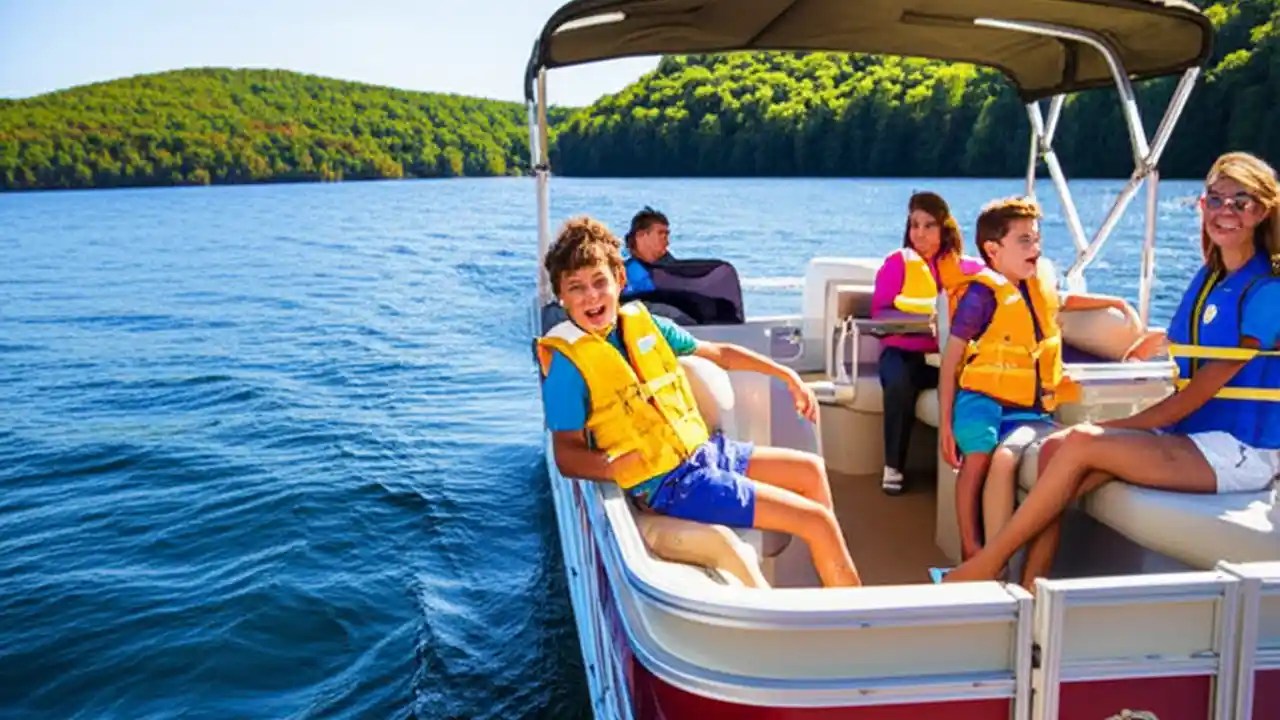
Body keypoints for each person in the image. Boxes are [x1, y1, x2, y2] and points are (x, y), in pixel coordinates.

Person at [942, 151, 1280, 589]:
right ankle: (1029, 590)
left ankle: (987, 565)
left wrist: (1112, 426)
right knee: (1056, 451)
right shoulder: (1210, 280)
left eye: (1241, 201)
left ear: (1263, 210)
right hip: (1193, 436)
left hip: (1240, 451)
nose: (1225, 211)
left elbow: (1194, 395)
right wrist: (1148, 345)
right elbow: (1189, 351)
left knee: (1079, 441)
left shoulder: (1267, 291)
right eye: (1214, 199)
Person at [536, 216, 862, 587]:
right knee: (816, 521)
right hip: (672, 486)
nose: (591, 296)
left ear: (620, 280)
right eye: (576, 288)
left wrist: (787, 375)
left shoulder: (644, 324)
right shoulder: (568, 367)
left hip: (705, 453)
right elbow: (566, 455)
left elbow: (720, 353)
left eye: (599, 282)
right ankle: (853, 612)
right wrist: (611, 468)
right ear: (561, 297)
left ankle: (829, 583)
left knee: (810, 471)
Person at [938, 197, 1137, 563]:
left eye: (1037, 239)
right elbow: (951, 360)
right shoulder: (980, 297)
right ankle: (970, 543)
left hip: (1027, 407)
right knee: (979, 455)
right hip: (979, 399)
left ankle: (1004, 554)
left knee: (1009, 459)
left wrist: (1115, 302)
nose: (1036, 248)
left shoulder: (1035, 287)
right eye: (1025, 240)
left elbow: (1061, 301)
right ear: (993, 250)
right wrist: (946, 425)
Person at [872, 191, 978, 494]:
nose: (919, 233)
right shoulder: (897, 264)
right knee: (899, 381)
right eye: (914, 225)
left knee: (978, 380)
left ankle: (973, 463)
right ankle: (894, 466)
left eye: (928, 225)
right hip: (903, 354)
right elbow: (880, 313)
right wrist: (926, 318)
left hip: (947, 357)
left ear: (944, 228)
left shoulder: (963, 268)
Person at [621, 206, 673, 297]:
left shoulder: (669, 263)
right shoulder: (627, 271)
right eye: (660, 234)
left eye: (666, 236)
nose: (667, 242)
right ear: (640, 236)